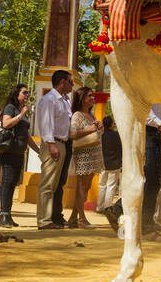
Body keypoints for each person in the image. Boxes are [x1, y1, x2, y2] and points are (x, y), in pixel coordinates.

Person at [35, 70, 74, 229]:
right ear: (63, 82)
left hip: (62, 143)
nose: (72, 85)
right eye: (70, 82)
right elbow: (46, 124)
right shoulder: (49, 99)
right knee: (48, 184)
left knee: (55, 184)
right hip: (53, 144)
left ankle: (49, 217)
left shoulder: (64, 100)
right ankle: (44, 220)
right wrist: (51, 145)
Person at [0, 84, 35, 228]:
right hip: (9, 151)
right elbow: (6, 124)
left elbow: (26, 135)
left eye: (27, 93)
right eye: (24, 92)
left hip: (19, 151)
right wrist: (20, 115)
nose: (27, 95)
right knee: (7, 181)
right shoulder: (10, 108)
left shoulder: (20, 110)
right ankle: (3, 215)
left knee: (13, 183)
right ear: (16, 94)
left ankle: (8, 214)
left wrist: (37, 150)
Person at [67, 87, 103, 229]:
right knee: (81, 185)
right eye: (89, 96)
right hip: (83, 154)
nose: (93, 98)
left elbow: (97, 133)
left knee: (86, 186)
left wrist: (100, 127)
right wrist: (91, 129)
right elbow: (72, 133)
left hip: (93, 154)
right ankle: (82, 218)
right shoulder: (77, 115)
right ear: (82, 98)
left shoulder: (92, 115)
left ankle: (73, 218)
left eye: (93, 96)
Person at [142, 103, 161, 239]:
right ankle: (145, 227)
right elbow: (144, 108)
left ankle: (148, 222)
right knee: (151, 180)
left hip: (156, 133)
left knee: (155, 182)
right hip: (149, 131)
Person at [97, 114, 122, 211]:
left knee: (102, 185)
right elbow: (120, 149)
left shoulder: (101, 135)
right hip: (115, 163)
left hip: (103, 163)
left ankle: (99, 207)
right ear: (112, 124)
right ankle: (107, 208)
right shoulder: (117, 135)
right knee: (111, 186)